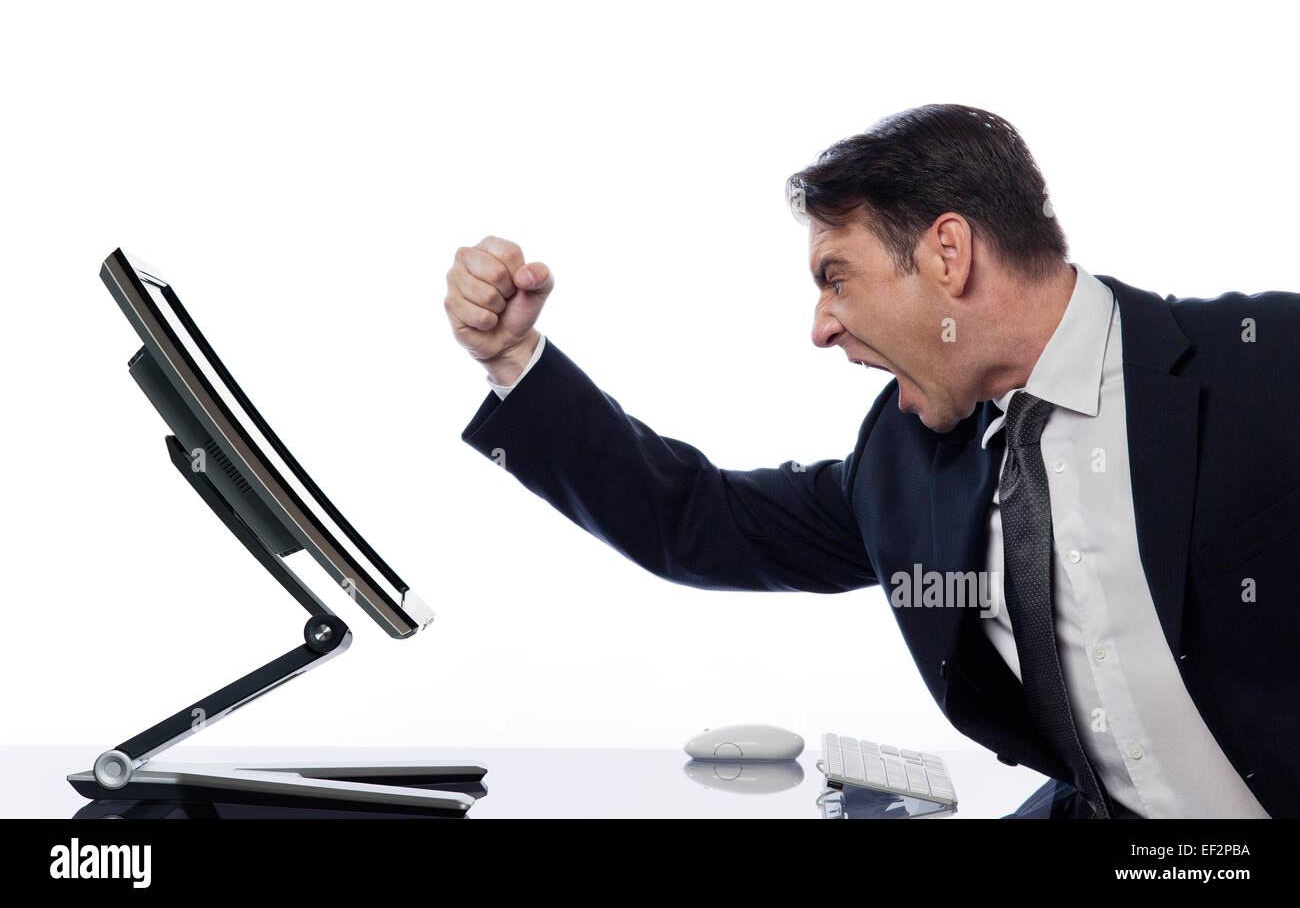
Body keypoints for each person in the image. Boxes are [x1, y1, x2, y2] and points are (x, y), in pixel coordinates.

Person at [444, 104, 1297, 819]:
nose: (821, 325)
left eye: (837, 278)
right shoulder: (906, 464)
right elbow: (696, 521)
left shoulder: (1269, 363)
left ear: (947, 255)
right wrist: (514, 362)